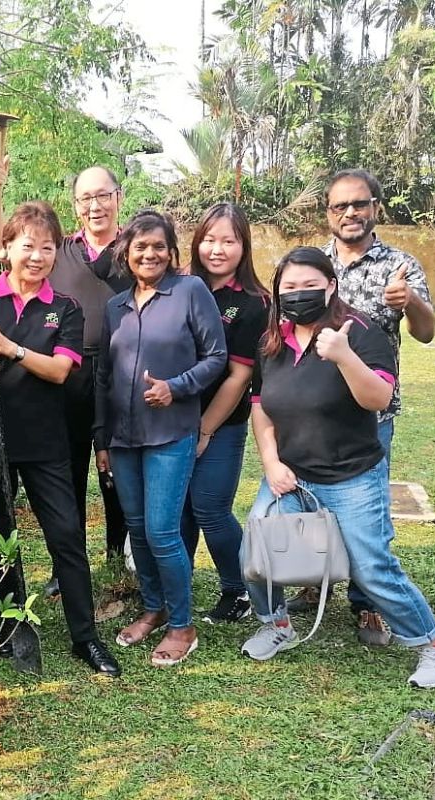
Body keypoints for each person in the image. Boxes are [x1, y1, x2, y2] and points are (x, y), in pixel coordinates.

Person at [240, 246, 435, 689]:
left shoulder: (358, 332)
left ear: (331, 286)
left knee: (371, 567)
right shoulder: (273, 340)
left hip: (352, 477)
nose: (299, 294)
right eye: (289, 287)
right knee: (255, 550)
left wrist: (343, 355)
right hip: (293, 474)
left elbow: (378, 400)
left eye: (310, 286)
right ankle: (277, 624)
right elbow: (262, 407)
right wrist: (270, 462)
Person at [0, 200, 120, 677]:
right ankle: (9, 627)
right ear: (7, 249)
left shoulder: (64, 308)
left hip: (46, 442)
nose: (37, 257)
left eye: (47, 248)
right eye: (28, 246)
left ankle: (85, 636)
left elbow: (61, 370)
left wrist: (8, 348)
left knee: (66, 536)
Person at [289, 169, 435, 643]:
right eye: (339, 206)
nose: (350, 213)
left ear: (375, 206)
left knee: (366, 512)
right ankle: (315, 584)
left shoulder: (399, 264)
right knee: (311, 503)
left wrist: (409, 300)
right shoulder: (314, 264)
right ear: (327, 213)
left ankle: (366, 602)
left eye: (359, 204)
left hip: (371, 410)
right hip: (312, 408)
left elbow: (427, 332)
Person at [0, 160, 130, 592]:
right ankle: (68, 562)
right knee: (66, 472)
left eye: (103, 195)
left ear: (119, 198)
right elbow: (0, 248)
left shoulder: (133, 249)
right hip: (64, 373)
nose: (95, 205)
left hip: (117, 373)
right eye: (86, 198)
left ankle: (116, 554)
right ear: (75, 205)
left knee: (114, 469)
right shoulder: (59, 249)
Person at [95, 210, 227, 668]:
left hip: (170, 433)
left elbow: (217, 356)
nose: (148, 254)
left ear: (171, 252)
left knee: (162, 531)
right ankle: (153, 608)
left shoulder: (190, 292)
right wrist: (102, 441)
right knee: (137, 528)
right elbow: (105, 376)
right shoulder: (116, 307)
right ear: (126, 254)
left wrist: (177, 386)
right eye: (139, 247)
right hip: (124, 438)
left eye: (157, 246)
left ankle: (182, 625)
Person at [181, 204, 269, 624]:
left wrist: (206, 429)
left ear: (243, 247)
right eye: (209, 239)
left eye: (228, 241)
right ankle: (174, 588)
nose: (217, 249)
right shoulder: (179, 287)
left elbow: (239, 377)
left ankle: (240, 590)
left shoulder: (253, 303)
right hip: (172, 418)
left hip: (221, 423)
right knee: (178, 508)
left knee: (210, 507)